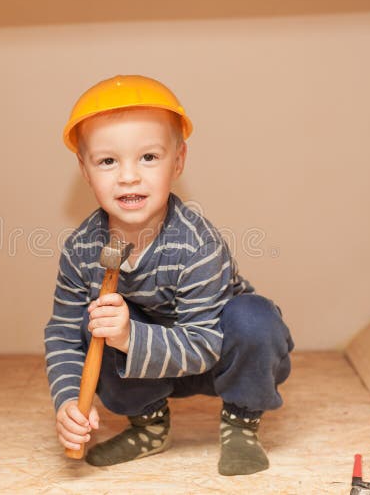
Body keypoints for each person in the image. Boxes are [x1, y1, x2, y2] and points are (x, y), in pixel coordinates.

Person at [44, 74, 294, 476]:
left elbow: (204, 343)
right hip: (143, 367)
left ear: (178, 161)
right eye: (108, 161)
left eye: (148, 157)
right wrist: (68, 402)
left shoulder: (197, 244)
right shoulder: (81, 250)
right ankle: (148, 424)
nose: (128, 176)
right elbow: (62, 334)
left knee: (255, 318)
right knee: (96, 325)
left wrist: (127, 336)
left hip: (217, 356)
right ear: (85, 169)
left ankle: (242, 422)